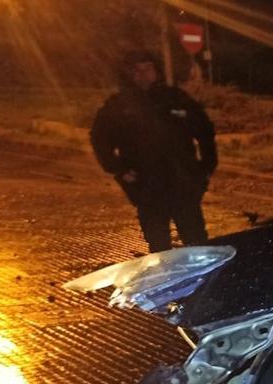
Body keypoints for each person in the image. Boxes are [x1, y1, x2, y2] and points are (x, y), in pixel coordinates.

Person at [90, 51, 217, 253]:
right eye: (137, 70)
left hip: (182, 181)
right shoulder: (118, 106)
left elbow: (204, 131)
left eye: (148, 68)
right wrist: (118, 169)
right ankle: (167, 281)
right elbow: (99, 138)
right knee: (158, 245)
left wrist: (206, 167)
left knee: (197, 241)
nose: (143, 74)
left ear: (156, 70)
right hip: (146, 185)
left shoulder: (176, 99)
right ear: (129, 74)